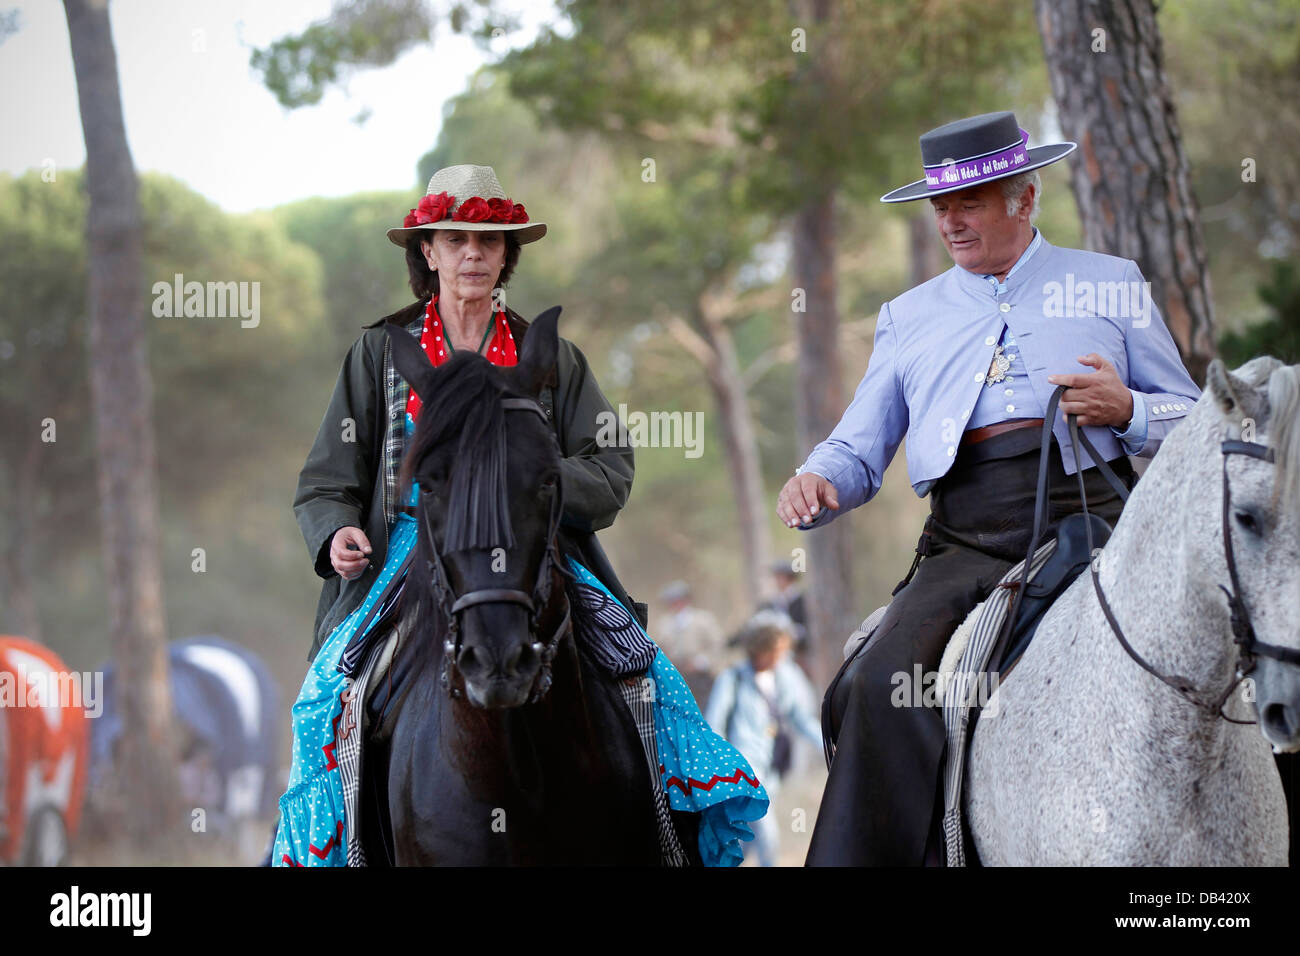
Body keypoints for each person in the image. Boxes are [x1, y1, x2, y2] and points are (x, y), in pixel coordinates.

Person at [276, 165, 766, 866]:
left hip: (533, 550)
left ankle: (668, 842)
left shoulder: (553, 358)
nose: (473, 254)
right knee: (326, 698)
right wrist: (337, 533)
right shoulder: (378, 355)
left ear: (508, 254)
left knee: (650, 678)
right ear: (428, 252)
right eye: (456, 239)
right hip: (414, 552)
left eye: (489, 240)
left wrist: (524, 480)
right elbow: (326, 481)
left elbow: (609, 470)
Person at [775, 112, 1202, 866]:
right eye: (940, 207)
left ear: (1024, 198)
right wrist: (820, 479)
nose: (949, 220)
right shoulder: (908, 317)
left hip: (1096, 522)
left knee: (1223, 647)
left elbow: (1196, 419)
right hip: (965, 537)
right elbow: (859, 442)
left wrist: (1129, 410)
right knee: (876, 685)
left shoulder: (1110, 282)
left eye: (969, 201)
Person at [705, 611, 822, 867]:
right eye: (776, 650)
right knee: (768, 837)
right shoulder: (732, 679)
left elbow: (800, 719)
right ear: (760, 648)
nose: (781, 655)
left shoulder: (784, 677)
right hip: (743, 771)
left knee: (746, 843)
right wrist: (721, 767)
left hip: (771, 770)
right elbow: (714, 725)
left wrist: (827, 744)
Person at [657, 580, 726, 705]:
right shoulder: (665, 624)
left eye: (677, 600)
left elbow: (717, 644)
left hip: (701, 677)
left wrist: (700, 662)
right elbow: (661, 648)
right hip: (676, 675)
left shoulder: (703, 620)